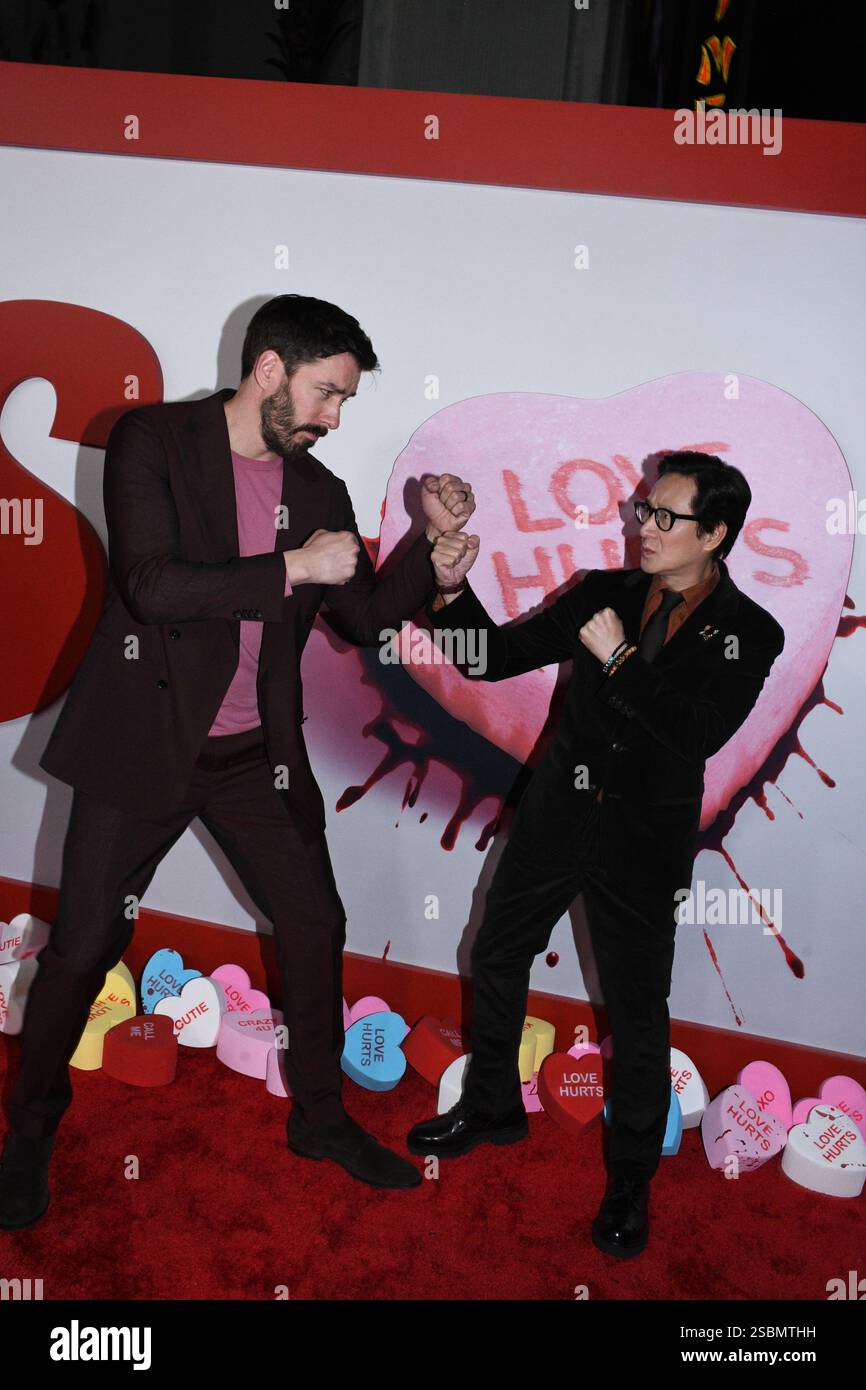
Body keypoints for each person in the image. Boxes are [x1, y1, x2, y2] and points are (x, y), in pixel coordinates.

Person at [0, 294, 474, 1230]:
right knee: (83, 949)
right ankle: (29, 1134)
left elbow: (365, 617)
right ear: (269, 370)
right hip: (145, 745)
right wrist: (292, 569)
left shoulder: (321, 491)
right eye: (326, 393)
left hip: (260, 755)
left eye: (342, 402)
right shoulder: (155, 441)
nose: (334, 418)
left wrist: (436, 559)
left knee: (314, 924)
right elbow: (149, 585)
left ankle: (321, 1120)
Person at [406, 451, 785, 1258]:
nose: (642, 527)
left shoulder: (752, 631)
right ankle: (493, 1107)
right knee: (498, 951)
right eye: (643, 509)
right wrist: (447, 589)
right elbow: (490, 659)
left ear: (715, 534)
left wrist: (617, 660)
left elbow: (695, 734)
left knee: (637, 1012)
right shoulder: (602, 591)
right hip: (555, 817)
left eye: (665, 517)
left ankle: (630, 1179)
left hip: (644, 843)